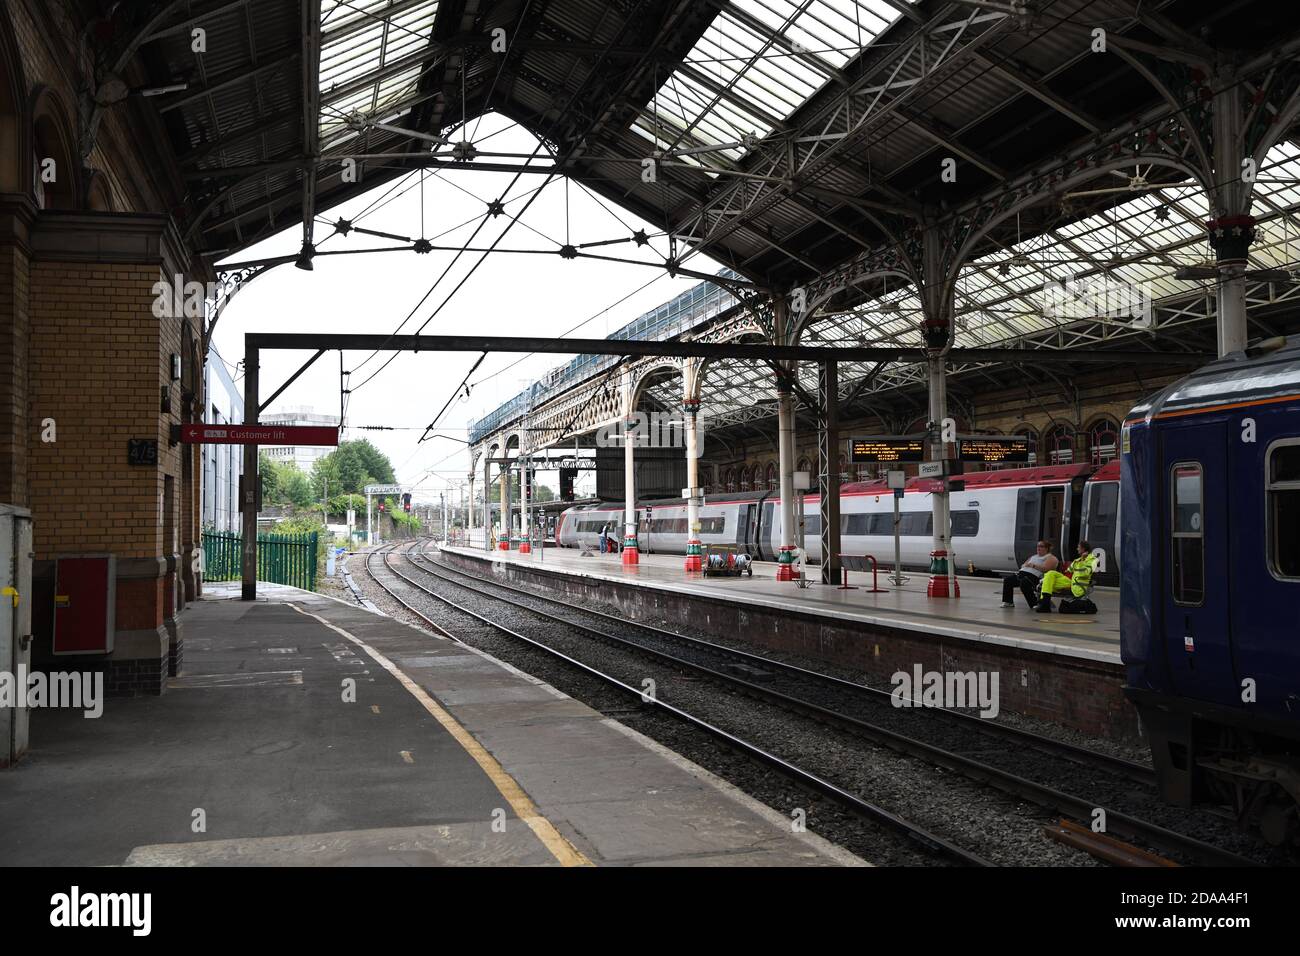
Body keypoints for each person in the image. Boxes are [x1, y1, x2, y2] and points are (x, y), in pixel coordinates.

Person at [1035, 540, 1097, 613]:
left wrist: (1082, 561)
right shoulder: (1077, 560)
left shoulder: (1092, 560)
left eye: (1078, 547)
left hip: (1076, 584)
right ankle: (1045, 603)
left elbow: (1085, 573)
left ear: (1083, 549)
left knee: (1047, 582)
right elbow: (1069, 570)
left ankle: (1044, 604)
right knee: (1051, 573)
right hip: (1069, 580)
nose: (1077, 549)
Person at [1001, 541, 1058, 608]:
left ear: (1047, 548)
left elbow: (1046, 569)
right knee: (1008, 580)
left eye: (1041, 546)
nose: (1038, 548)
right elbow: (1023, 565)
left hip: (1035, 577)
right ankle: (1008, 602)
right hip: (1022, 574)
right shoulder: (1034, 556)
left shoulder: (1051, 558)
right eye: (1038, 546)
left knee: (1024, 583)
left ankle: (1034, 603)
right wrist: (1026, 566)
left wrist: (1033, 566)